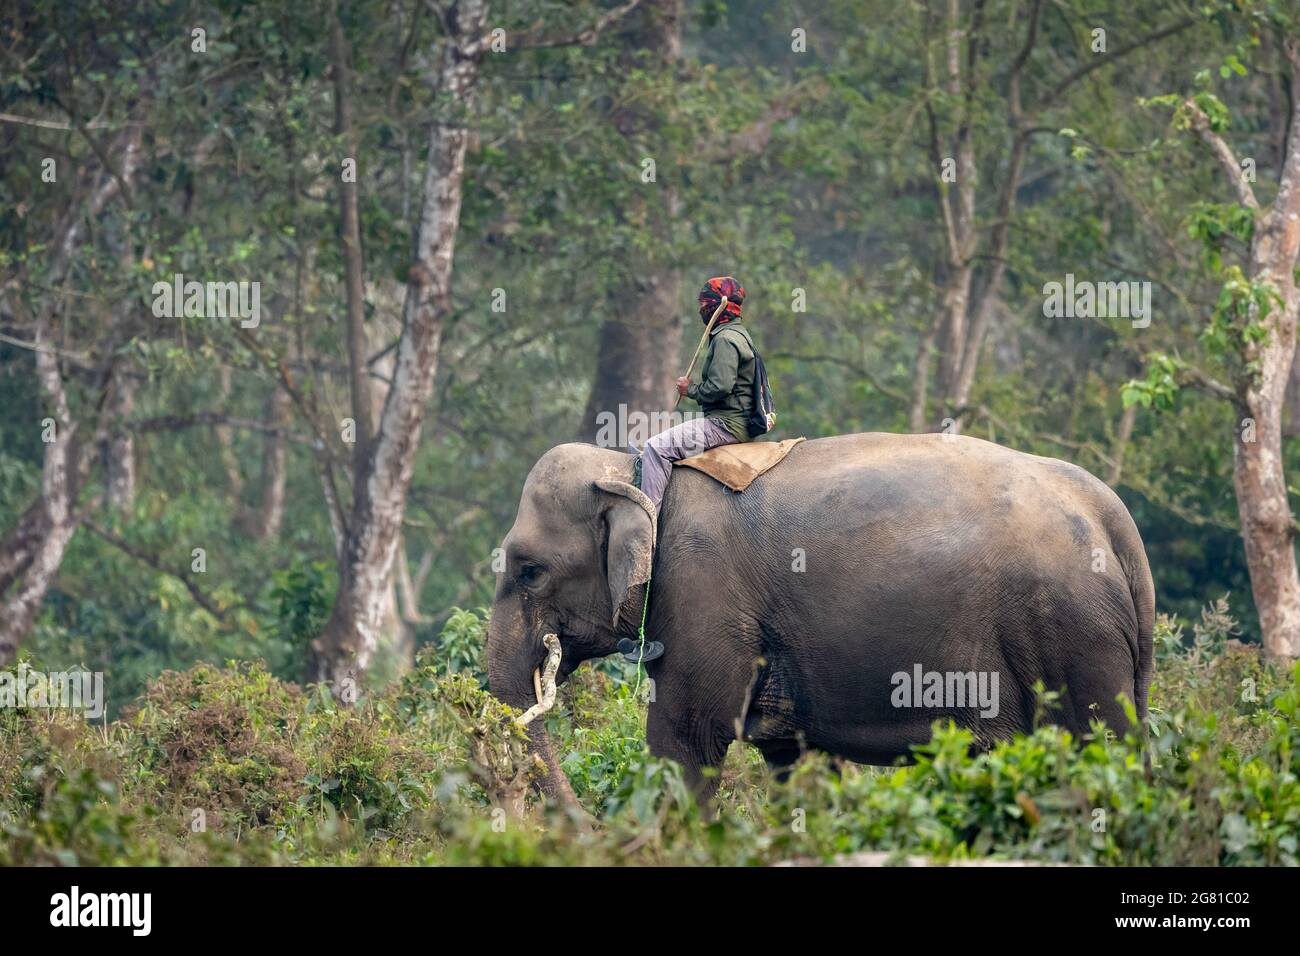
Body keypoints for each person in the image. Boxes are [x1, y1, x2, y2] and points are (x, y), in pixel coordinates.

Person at [619, 276, 758, 663]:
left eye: (704, 302)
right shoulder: (736, 334)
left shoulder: (726, 340)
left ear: (715, 305)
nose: (699, 308)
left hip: (724, 426)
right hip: (731, 421)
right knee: (660, 444)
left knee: (657, 448)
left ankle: (649, 518)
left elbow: (719, 387)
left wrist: (690, 390)